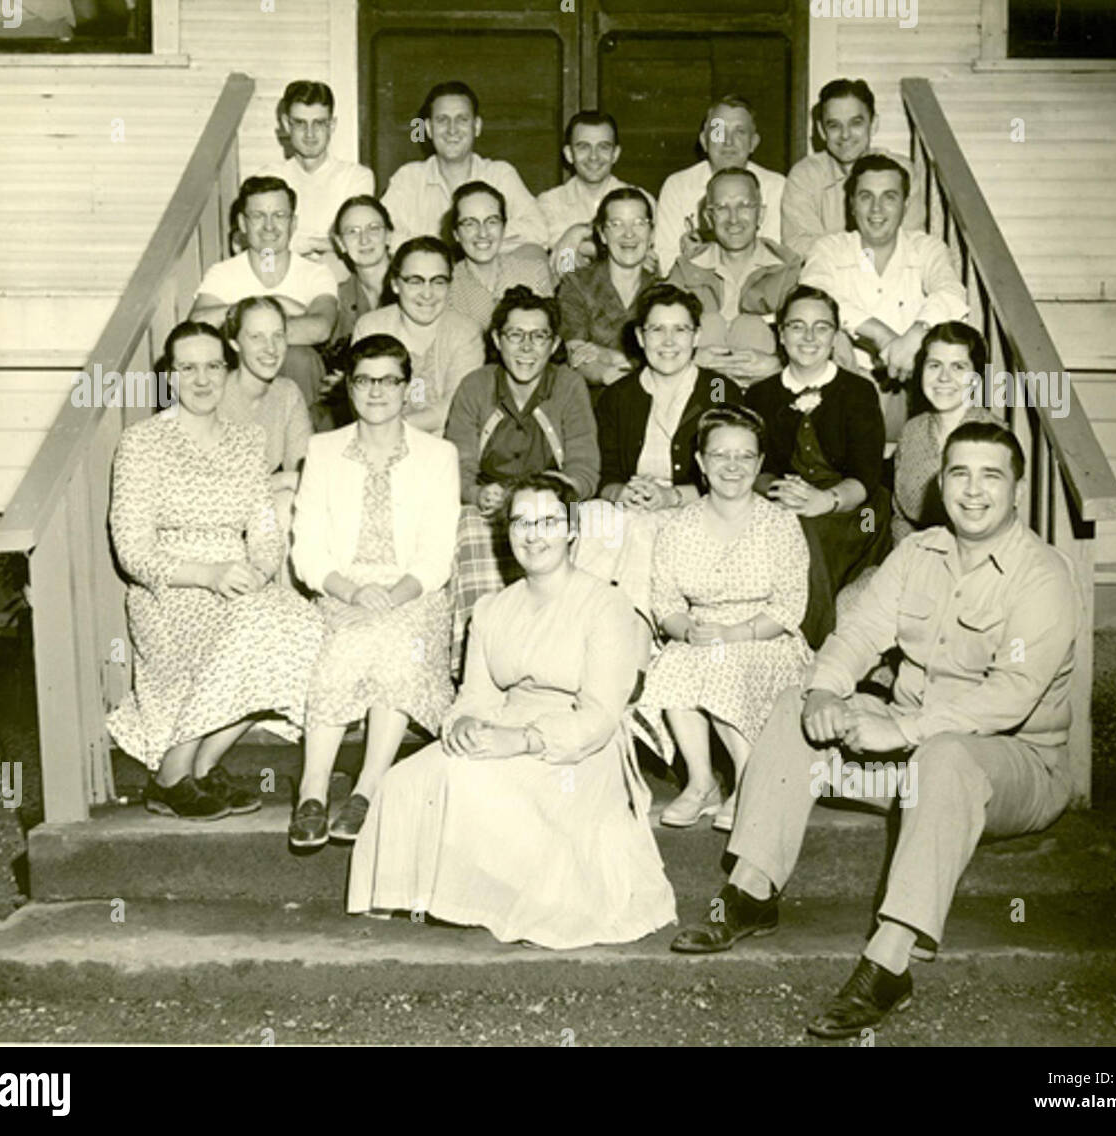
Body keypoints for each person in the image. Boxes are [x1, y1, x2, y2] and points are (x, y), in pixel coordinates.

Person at [671, 420, 1079, 1042]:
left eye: (991, 475)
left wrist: (903, 726)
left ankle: (889, 963)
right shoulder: (918, 554)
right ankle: (752, 890)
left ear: (1016, 489)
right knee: (791, 706)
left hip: (1013, 768)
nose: (973, 490)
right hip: (912, 759)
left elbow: (1011, 698)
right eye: (959, 473)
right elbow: (858, 634)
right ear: (940, 484)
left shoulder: (1042, 574)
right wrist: (827, 691)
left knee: (943, 758)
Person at [347, 474, 678, 949]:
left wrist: (524, 740)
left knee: (470, 781)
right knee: (406, 779)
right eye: (521, 522)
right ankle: (427, 893)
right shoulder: (490, 608)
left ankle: (497, 896)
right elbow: (476, 695)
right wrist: (462, 724)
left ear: (571, 531)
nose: (532, 534)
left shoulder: (607, 604)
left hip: (577, 747)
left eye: (547, 521)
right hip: (504, 725)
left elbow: (601, 714)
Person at [106, 321, 322, 820]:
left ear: (226, 373)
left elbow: (265, 530)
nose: (202, 380)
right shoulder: (142, 443)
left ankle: (198, 768)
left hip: (237, 578)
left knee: (305, 628)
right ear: (169, 376)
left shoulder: (248, 440)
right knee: (254, 626)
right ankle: (169, 776)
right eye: (188, 368)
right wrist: (207, 574)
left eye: (212, 367)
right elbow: (131, 549)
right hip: (172, 588)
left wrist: (259, 571)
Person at [287, 334, 461, 849]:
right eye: (365, 380)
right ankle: (312, 791)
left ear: (407, 388)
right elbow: (308, 550)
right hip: (346, 589)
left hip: (414, 592)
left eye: (389, 380)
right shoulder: (321, 451)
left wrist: (398, 591)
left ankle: (368, 786)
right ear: (349, 388)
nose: (377, 391)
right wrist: (351, 589)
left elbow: (436, 551)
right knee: (344, 646)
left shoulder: (438, 455)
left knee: (396, 648)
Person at [637, 406, 812, 834]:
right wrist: (686, 629)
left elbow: (790, 607)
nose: (732, 466)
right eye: (720, 456)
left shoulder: (780, 524)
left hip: (767, 638)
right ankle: (701, 783)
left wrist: (733, 634)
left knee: (723, 663)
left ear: (759, 463)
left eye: (744, 456)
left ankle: (749, 782)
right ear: (700, 462)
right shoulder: (678, 526)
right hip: (703, 635)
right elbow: (666, 602)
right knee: (674, 662)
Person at [444, 286, 599, 673]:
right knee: (467, 527)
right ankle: (476, 663)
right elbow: (456, 464)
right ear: (497, 340)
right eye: (515, 335)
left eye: (539, 336)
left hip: (552, 502)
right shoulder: (476, 387)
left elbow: (585, 471)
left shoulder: (568, 386)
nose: (527, 348)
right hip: (490, 506)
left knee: (599, 523)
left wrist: (546, 496)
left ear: (555, 343)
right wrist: (477, 493)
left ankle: (565, 656)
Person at [577, 282, 742, 616]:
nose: (668, 342)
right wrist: (619, 492)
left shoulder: (720, 391)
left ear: (696, 337)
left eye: (680, 330)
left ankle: (638, 638)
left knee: (642, 530)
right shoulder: (618, 396)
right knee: (593, 519)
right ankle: (580, 625)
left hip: (696, 506)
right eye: (657, 330)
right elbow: (603, 473)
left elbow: (733, 477)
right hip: (630, 504)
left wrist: (671, 497)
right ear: (640, 337)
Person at [746, 285, 890, 647]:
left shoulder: (858, 391)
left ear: (836, 335)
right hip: (786, 500)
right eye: (797, 326)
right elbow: (755, 465)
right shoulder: (760, 394)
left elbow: (867, 475)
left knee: (804, 530)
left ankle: (813, 646)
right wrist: (782, 493)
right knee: (784, 525)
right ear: (781, 334)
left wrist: (825, 500)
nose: (809, 337)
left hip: (854, 508)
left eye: (821, 327)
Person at [800, 154, 968, 442]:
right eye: (866, 197)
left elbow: (952, 293)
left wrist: (914, 336)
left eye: (889, 197)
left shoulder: (926, 248)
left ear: (905, 205)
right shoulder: (829, 249)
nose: (876, 209)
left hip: (911, 388)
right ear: (851, 204)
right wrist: (881, 336)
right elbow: (814, 299)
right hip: (842, 390)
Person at [190, 175, 338, 411]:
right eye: (258, 216)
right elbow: (198, 322)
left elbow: (319, 328)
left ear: (294, 223)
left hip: (300, 389)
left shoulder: (316, 273)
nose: (269, 226)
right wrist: (270, 304)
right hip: (238, 388)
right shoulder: (223, 272)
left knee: (298, 358)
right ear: (242, 222)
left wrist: (242, 328)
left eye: (279, 216)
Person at [667, 166, 802, 389]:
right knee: (710, 325)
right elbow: (660, 334)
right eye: (721, 208)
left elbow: (811, 337)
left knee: (751, 327)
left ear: (762, 214)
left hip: (767, 393)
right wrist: (690, 357)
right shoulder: (686, 269)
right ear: (709, 218)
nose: (733, 219)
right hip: (704, 394)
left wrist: (779, 363)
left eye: (744, 206)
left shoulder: (788, 269)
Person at [380, 80, 548, 252]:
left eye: (462, 119)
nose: (452, 130)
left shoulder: (500, 175)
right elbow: (382, 234)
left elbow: (538, 231)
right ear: (429, 129)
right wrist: (450, 249)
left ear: (476, 126)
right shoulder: (408, 178)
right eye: (442, 120)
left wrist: (470, 240)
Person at [779, 78, 925, 261]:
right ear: (822, 131)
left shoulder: (901, 171)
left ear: (873, 124)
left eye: (856, 123)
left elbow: (911, 242)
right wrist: (867, 255)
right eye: (834, 125)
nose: (845, 135)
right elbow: (798, 246)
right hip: (826, 283)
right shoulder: (805, 175)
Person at [351, 236, 485, 435]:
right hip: (379, 441)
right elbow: (363, 402)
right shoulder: (371, 327)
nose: (427, 294)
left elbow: (455, 407)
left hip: (443, 447)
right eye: (415, 281)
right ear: (395, 284)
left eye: (438, 282)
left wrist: (393, 427)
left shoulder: (466, 333)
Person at [893, 321, 1001, 543]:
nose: (944, 377)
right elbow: (900, 517)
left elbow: (997, 526)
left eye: (958, 367)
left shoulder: (995, 437)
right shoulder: (912, 431)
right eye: (934, 365)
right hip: (913, 557)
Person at [219, 297, 313, 548]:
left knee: (290, 505)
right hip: (215, 526)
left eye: (278, 336)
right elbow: (214, 494)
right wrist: (281, 481)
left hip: (260, 518)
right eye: (256, 337)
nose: (270, 348)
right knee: (282, 503)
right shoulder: (211, 397)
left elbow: (303, 474)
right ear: (234, 342)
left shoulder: (287, 393)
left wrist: (288, 483)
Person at [653, 95, 787, 273]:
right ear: (704, 141)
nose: (728, 141)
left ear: (753, 143)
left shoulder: (777, 187)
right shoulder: (678, 186)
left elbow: (773, 259)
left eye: (739, 132)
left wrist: (701, 252)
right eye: (719, 131)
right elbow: (666, 259)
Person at [557, 186, 658, 394]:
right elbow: (577, 356)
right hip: (591, 400)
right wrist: (617, 373)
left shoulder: (662, 291)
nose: (629, 234)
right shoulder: (576, 283)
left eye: (639, 223)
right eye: (616, 224)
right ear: (602, 234)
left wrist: (608, 356)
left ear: (651, 234)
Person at [264, 80, 374, 265]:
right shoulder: (268, 177)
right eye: (300, 123)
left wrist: (299, 242)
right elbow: (263, 246)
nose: (310, 134)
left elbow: (357, 243)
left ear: (332, 125)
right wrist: (325, 243)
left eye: (319, 123)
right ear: (286, 124)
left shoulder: (356, 177)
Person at [536, 110, 653, 278]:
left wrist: (578, 233)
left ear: (615, 154)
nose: (593, 157)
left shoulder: (640, 200)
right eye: (583, 147)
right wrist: (618, 250)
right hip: (572, 297)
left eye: (603, 147)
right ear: (569, 154)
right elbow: (564, 266)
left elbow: (650, 263)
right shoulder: (550, 203)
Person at [445, 181, 554, 332]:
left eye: (492, 222)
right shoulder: (446, 287)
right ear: (456, 233)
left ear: (504, 227)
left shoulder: (534, 273)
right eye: (470, 223)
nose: (483, 233)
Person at [330, 195, 394, 342]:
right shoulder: (340, 297)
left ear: (389, 236)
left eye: (373, 228)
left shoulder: (413, 283)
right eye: (353, 231)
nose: (364, 240)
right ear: (340, 243)